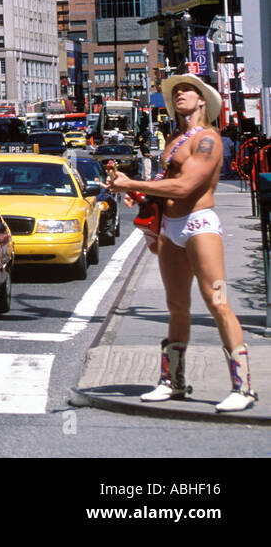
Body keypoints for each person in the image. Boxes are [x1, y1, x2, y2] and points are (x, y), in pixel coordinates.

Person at [106, 73, 256, 413]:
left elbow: (187, 187)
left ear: (203, 100)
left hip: (200, 224)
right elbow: (166, 184)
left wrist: (135, 181)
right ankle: (173, 381)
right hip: (170, 227)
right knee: (176, 305)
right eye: (176, 91)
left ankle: (243, 386)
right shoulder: (174, 139)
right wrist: (138, 192)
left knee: (217, 300)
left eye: (187, 90)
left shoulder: (208, 140)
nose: (179, 94)